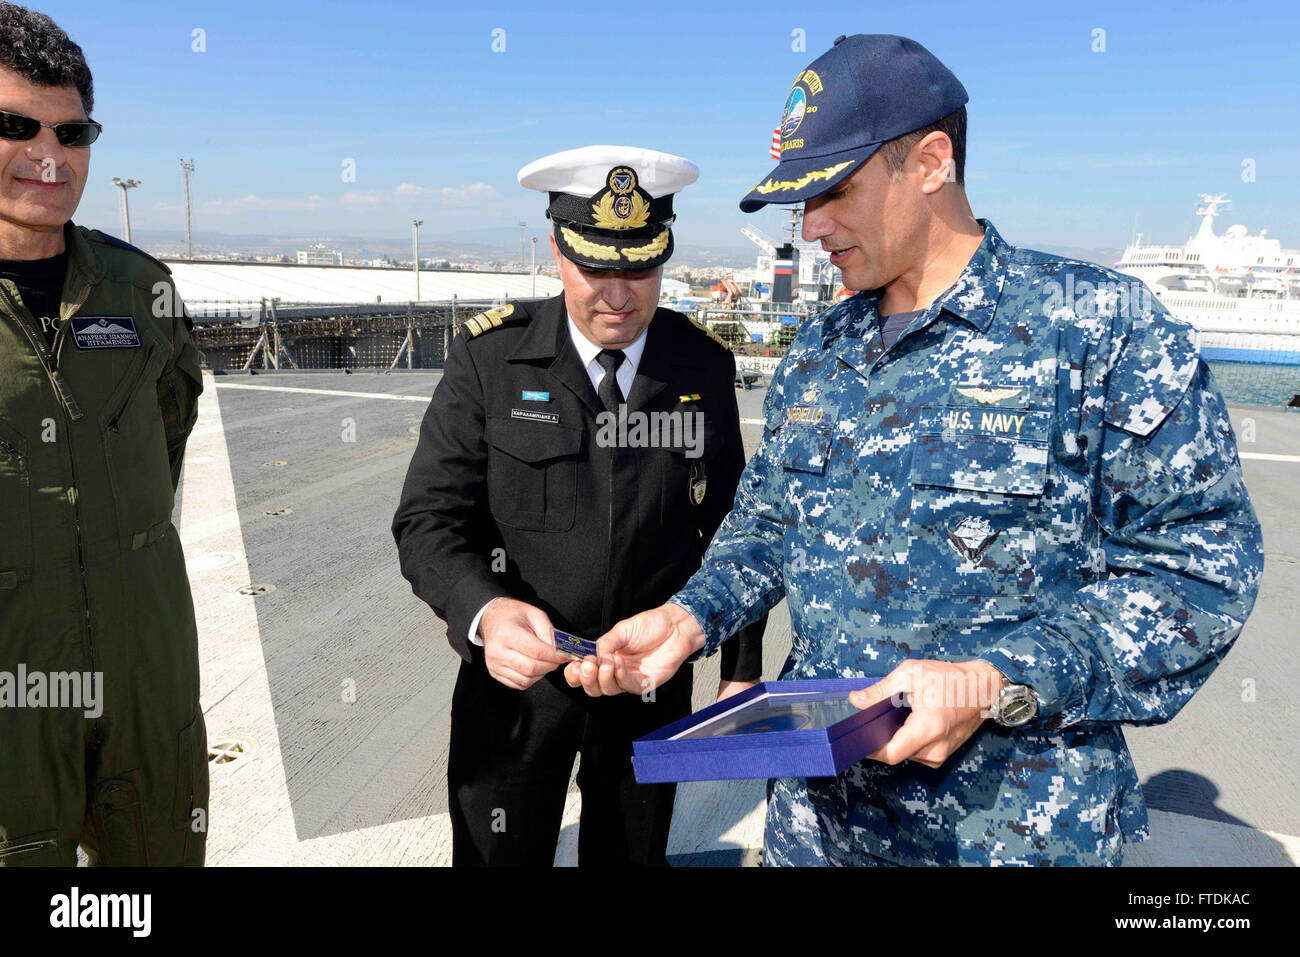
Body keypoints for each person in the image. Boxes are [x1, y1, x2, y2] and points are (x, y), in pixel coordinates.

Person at [565, 34, 1263, 866]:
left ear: (932, 161)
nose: (812, 225)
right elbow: (767, 527)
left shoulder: (1100, 329)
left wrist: (999, 678)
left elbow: (1199, 571)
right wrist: (691, 616)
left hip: (1013, 834)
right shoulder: (820, 350)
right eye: (802, 202)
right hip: (818, 831)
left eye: (833, 192)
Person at [392, 145, 766, 866]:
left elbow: (735, 523)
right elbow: (427, 519)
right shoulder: (490, 360)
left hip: (649, 682)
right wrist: (483, 612)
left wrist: (741, 667)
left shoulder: (702, 366)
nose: (618, 294)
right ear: (558, 253)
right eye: (596, 266)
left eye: (640, 267)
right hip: (515, 686)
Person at [0, 3, 207, 866]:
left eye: (72, 130)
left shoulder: (139, 288)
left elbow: (169, 432)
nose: (50, 155)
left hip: (146, 678)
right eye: (15, 125)